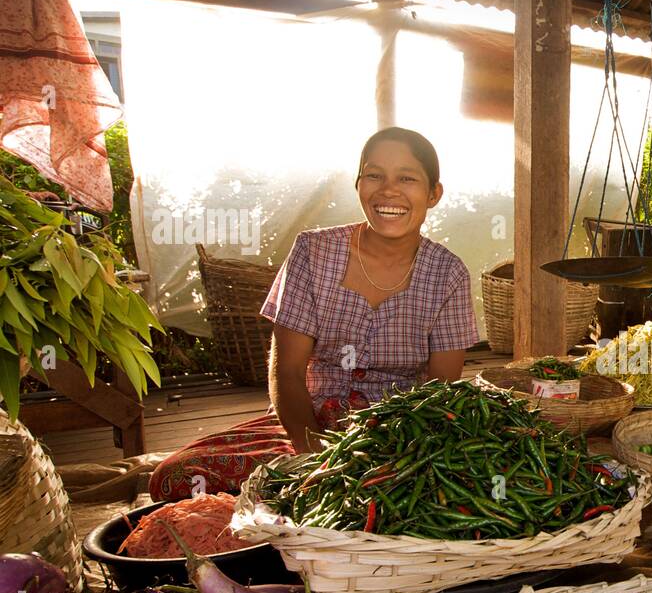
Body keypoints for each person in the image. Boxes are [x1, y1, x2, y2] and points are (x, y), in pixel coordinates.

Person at [149, 127, 478, 501]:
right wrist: (313, 452)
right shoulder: (314, 252)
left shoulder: (448, 274)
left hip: (402, 435)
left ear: (433, 193)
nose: (388, 191)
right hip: (309, 421)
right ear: (358, 184)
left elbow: (440, 393)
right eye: (374, 175)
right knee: (175, 477)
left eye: (407, 178)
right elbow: (286, 371)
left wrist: (396, 456)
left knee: (449, 491)